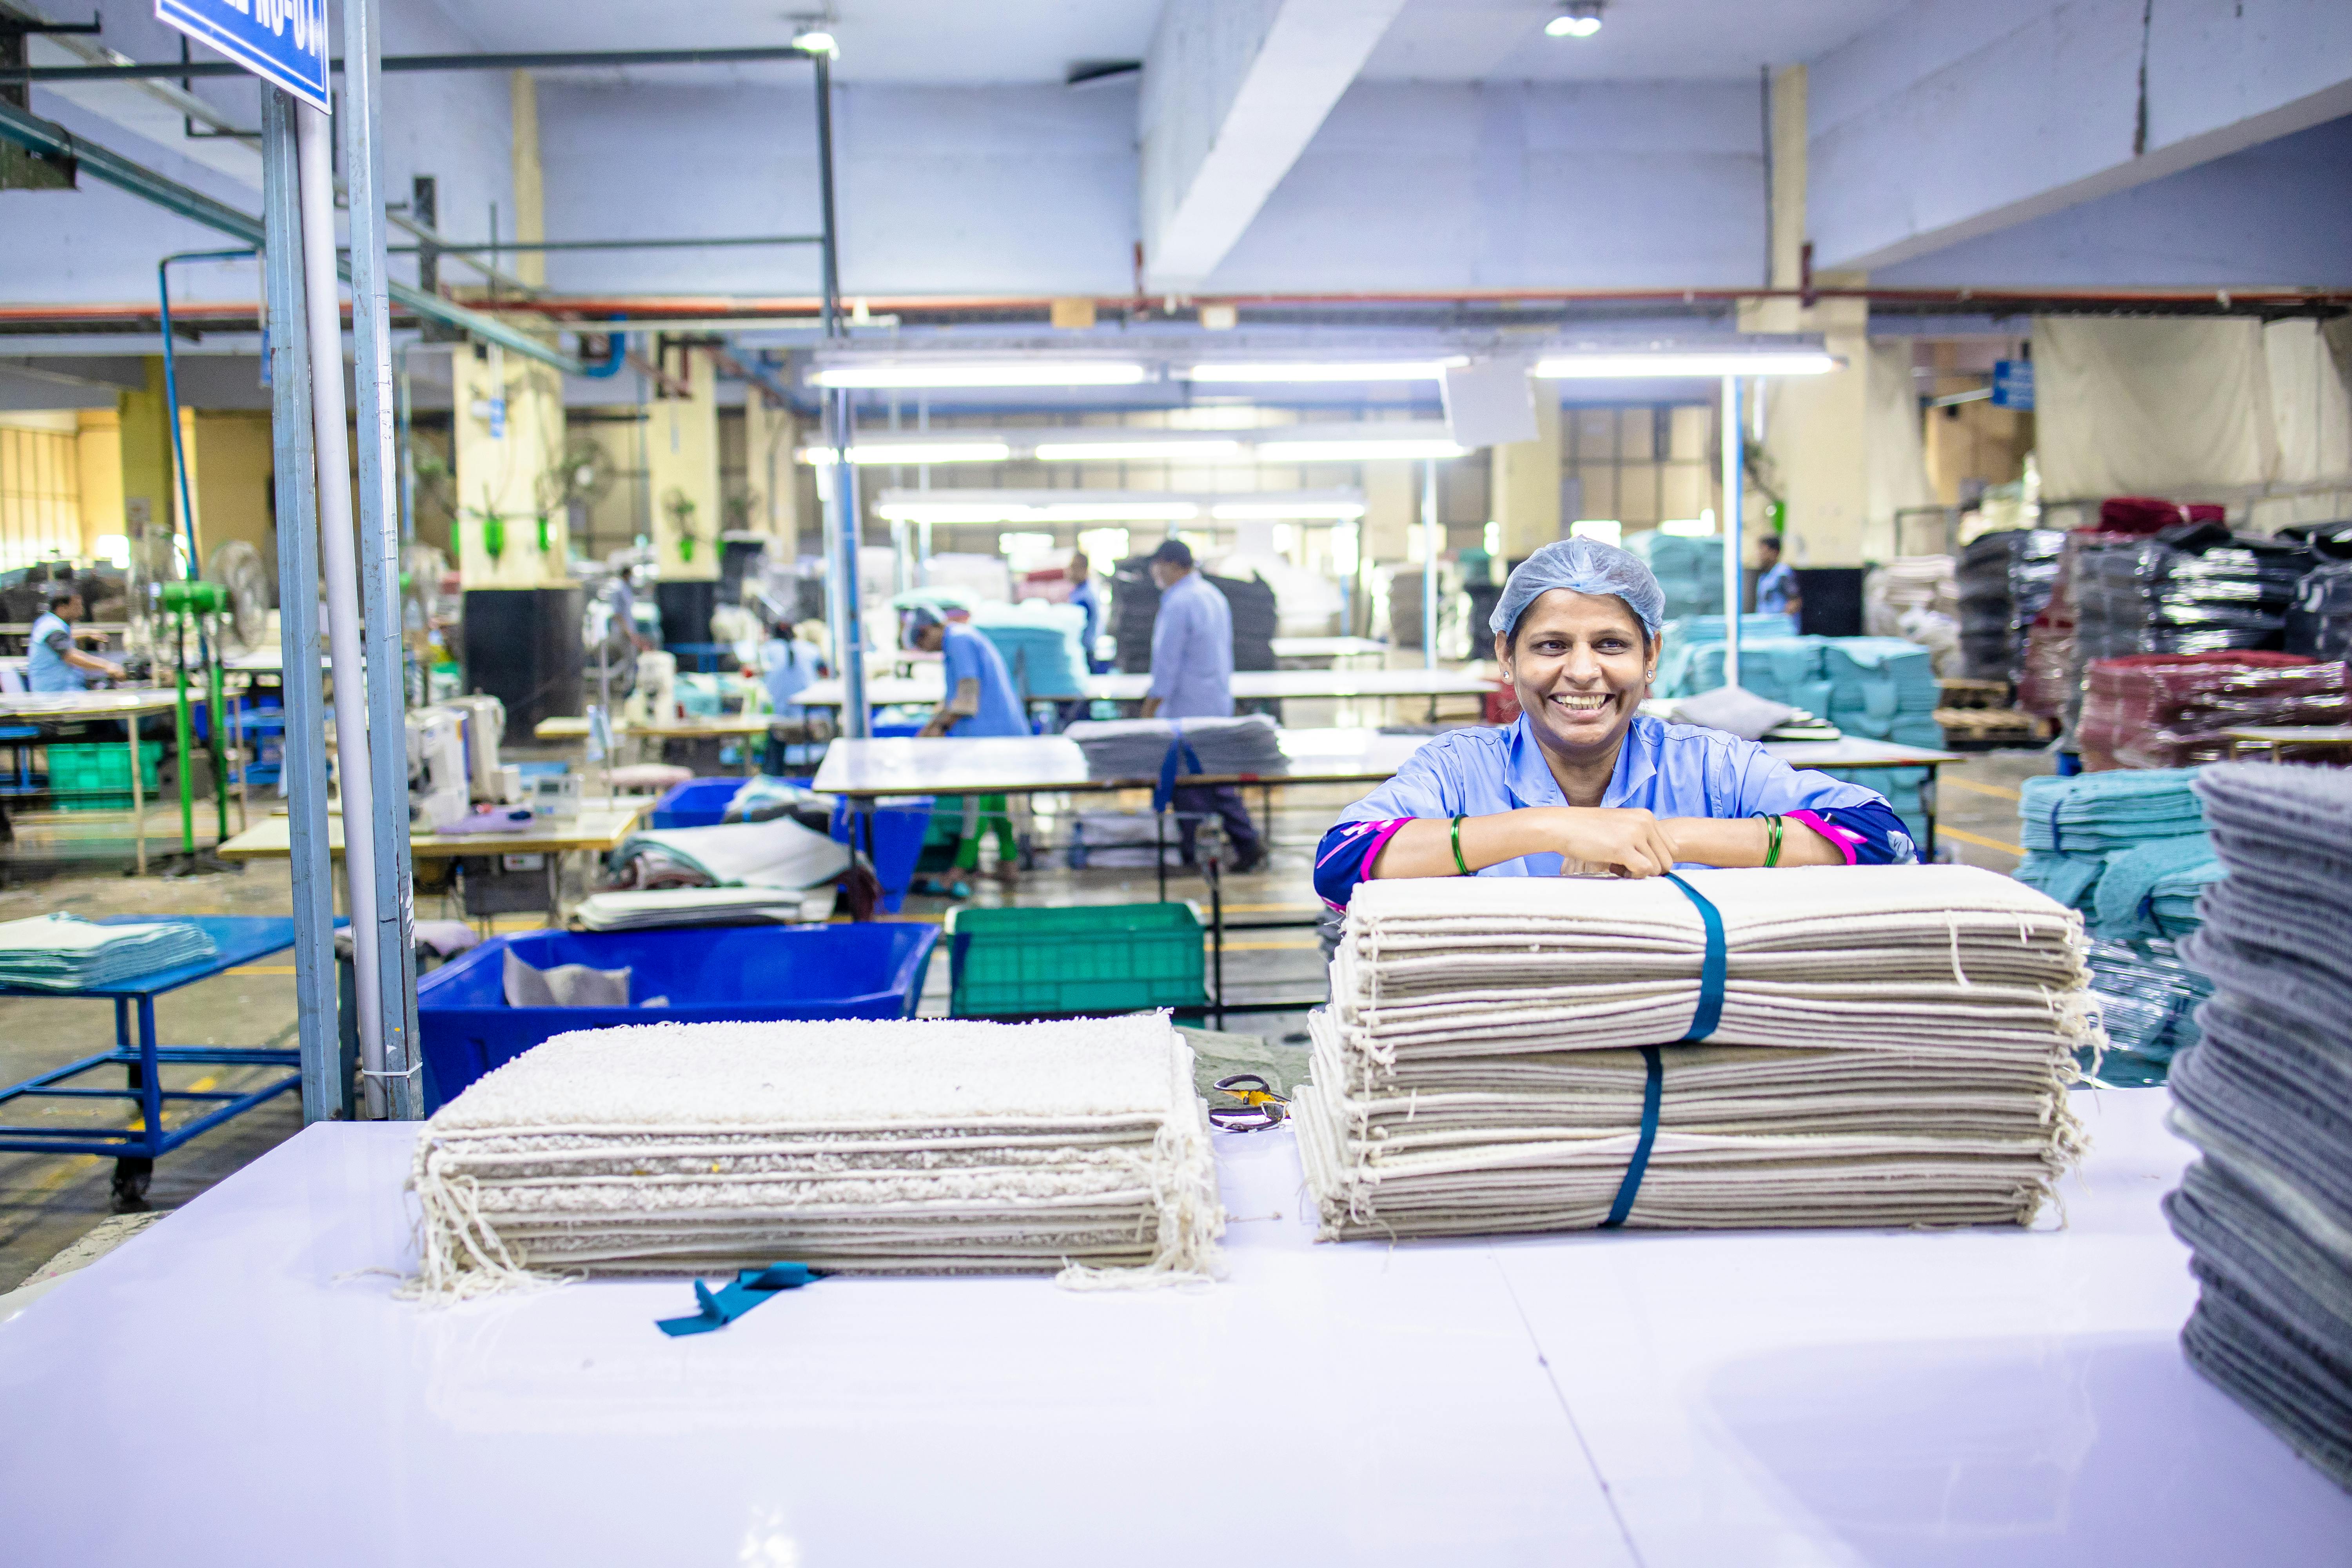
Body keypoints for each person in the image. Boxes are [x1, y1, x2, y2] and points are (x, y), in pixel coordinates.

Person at [1313, 537, 1911, 909]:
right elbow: (1340, 862)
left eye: (1611, 644)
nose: (1582, 671)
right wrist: (1553, 829)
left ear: (1652, 657)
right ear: (1506, 657)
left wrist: (1666, 839)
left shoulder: (1710, 767)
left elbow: (1881, 839)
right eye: (1551, 645)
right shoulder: (1459, 770)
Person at [1141, 538, 1266, 874]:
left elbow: (1166, 664)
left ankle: (1194, 853)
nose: (1155, 573)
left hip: (1186, 710)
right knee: (1215, 777)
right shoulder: (1212, 595)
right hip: (1215, 703)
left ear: (1172, 565)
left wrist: (1150, 709)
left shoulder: (1179, 603)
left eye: (1158, 566)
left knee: (1189, 785)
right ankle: (1245, 842)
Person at [906, 604, 1029, 884]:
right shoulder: (961, 639)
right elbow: (956, 696)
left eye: (922, 645)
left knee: (976, 800)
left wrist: (939, 727)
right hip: (995, 735)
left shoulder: (958, 641)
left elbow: (967, 699)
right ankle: (1009, 862)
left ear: (926, 631)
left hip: (988, 737)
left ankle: (959, 870)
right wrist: (932, 725)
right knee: (997, 799)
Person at [760, 619, 831, 775]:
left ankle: (773, 776)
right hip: (813, 723)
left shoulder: (766, 651)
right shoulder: (812, 650)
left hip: (779, 724)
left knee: (774, 738)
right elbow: (826, 675)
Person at [27, 583, 124, 693]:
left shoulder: (49, 621)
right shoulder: (52, 627)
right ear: (62, 608)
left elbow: (63, 637)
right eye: (76, 606)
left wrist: (87, 634)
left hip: (66, 691)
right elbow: (70, 656)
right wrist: (107, 666)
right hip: (56, 695)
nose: (81, 610)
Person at [1066, 551, 1109, 675]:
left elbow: (1078, 628)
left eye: (1074, 567)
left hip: (1085, 654)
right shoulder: (1079, 592)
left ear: (1084, 569)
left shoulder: (1085, 597)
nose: (1070, 571)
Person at [1753, 534, 1801, 620]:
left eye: (1763, 551)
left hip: (1779, 626)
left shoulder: (1782, 573)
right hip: (1765, 625)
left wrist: (1781, 620)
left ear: (1774, 552)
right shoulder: (1764, 576)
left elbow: (1795, 601)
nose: (1759, 555)